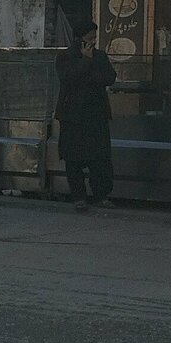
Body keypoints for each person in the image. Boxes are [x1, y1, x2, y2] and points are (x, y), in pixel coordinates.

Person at [55, 20, 117, 211]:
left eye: (94, 37)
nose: (93, 41)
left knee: (100, 160)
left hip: (96, 115)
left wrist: (91, 69)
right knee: (74, 160)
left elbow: (109, 77)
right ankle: (79, 197)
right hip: (74, 117)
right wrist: (86, 61)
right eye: (89, 37)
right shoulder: (65, 57)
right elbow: (69, 78)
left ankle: (101, 195)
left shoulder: (100, 57)